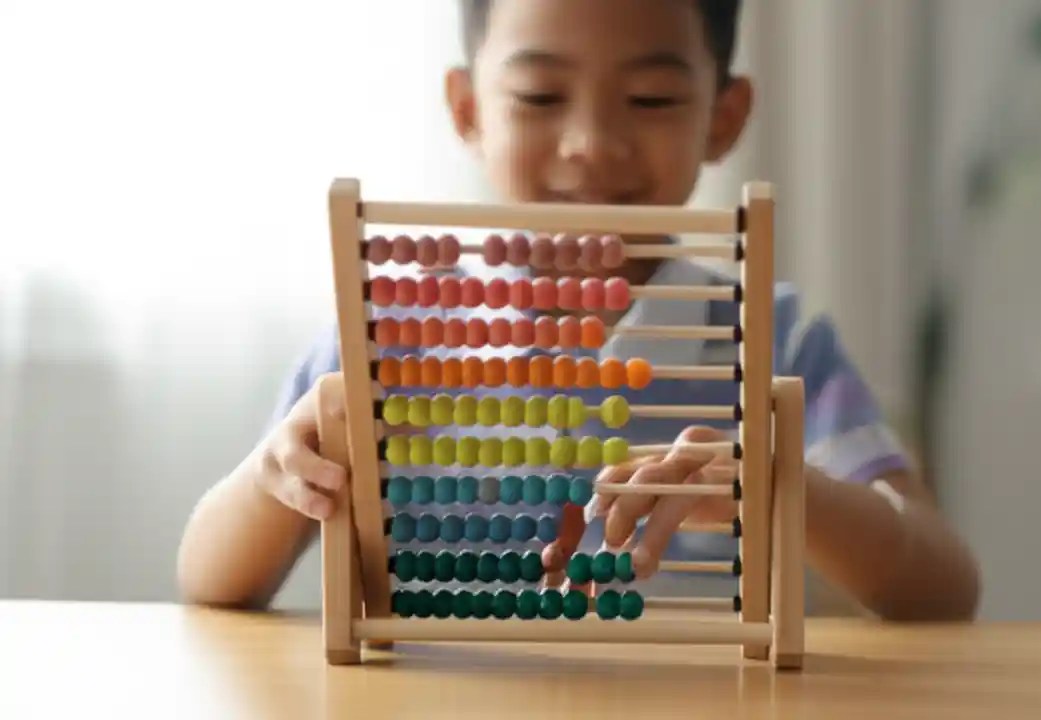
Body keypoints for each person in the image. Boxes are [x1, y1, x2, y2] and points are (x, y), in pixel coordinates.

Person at [177, 0, 980, 621]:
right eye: (539, 94)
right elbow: (210, 580)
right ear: (466, 109)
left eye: (651, 97)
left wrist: (781, 487)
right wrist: (269, 485)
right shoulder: (384, 335)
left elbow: (944, 587)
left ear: (725, 117)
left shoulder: (775, 343)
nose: (592, 142)